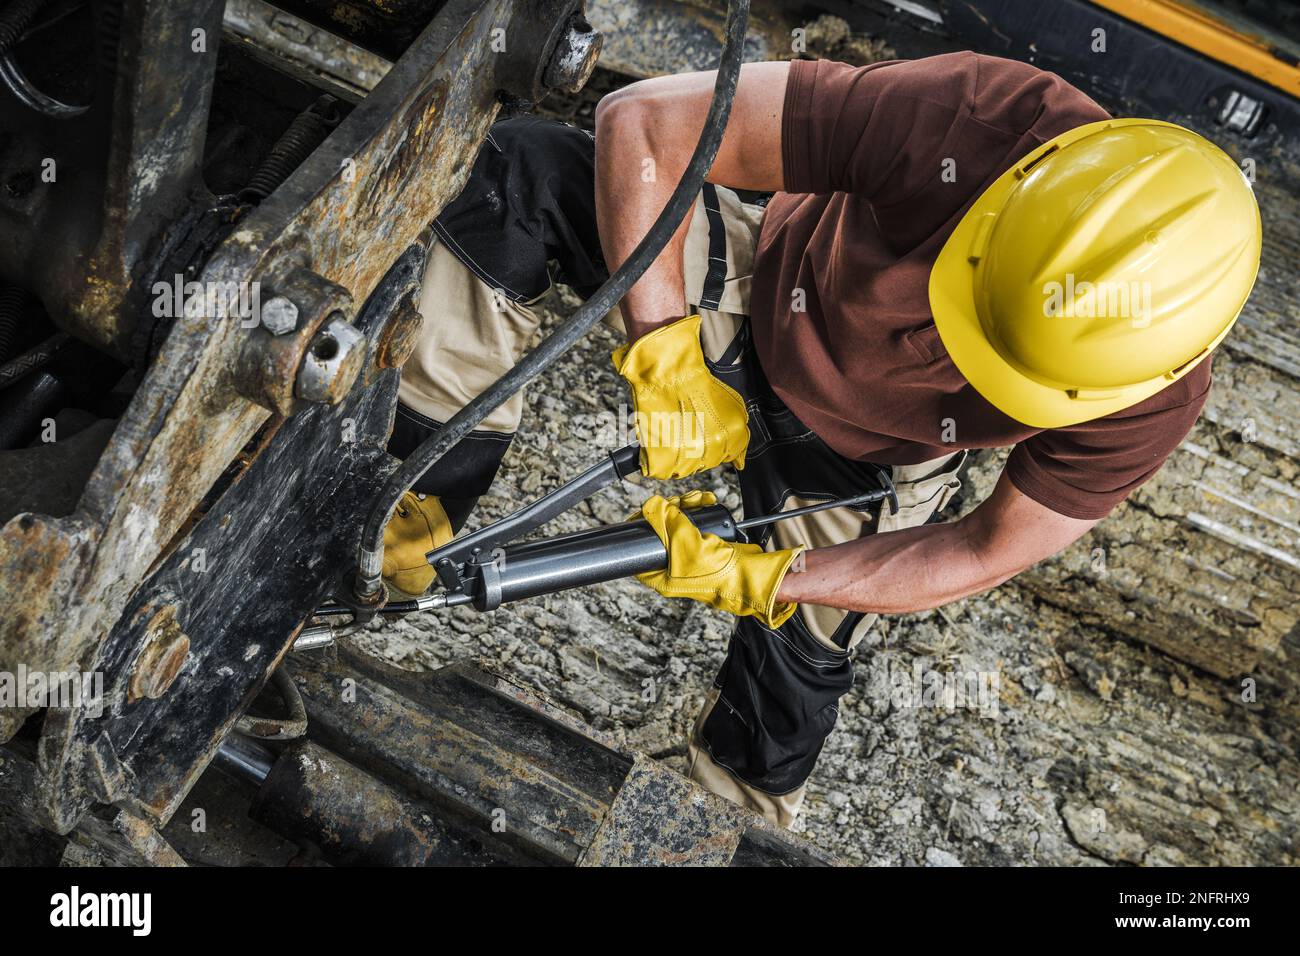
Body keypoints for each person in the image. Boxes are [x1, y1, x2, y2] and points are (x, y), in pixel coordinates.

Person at [382, 53, 1262, 826]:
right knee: (518, 178)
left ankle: (719, 832)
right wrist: (664, 353)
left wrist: (770, 575)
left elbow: (981, 548)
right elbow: (645, 121)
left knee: (789, 684)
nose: (957, 352)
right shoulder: (974, 118)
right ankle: (388, 519)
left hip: (876, 463)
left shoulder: (1148, 398)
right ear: (1010, 208)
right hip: (766, 290)